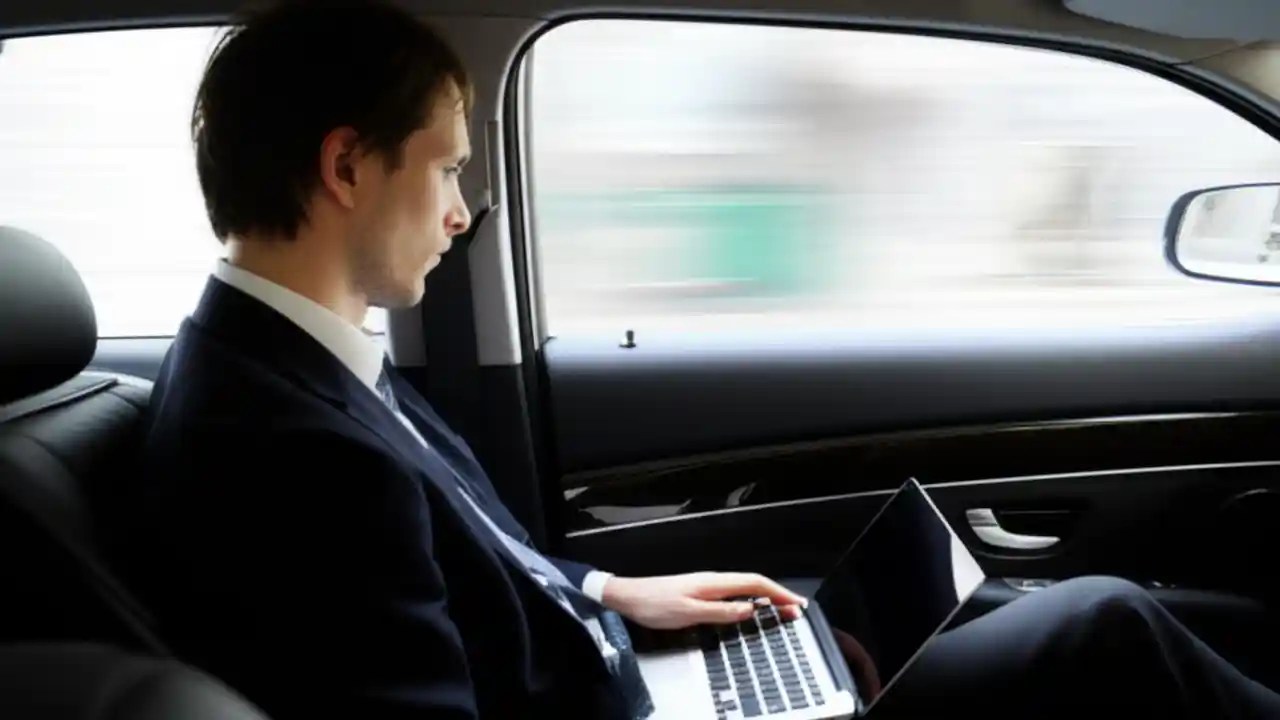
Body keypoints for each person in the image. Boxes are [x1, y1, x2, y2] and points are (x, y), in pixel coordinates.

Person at [118, 1, 1279, 719]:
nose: (465, 212)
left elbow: (451, 569)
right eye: (447, 170)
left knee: (979, 612)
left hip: (615, 669)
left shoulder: (280, 363)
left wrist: (608, 592)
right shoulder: (280, 444)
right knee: (1101, 627)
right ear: (344, 167)